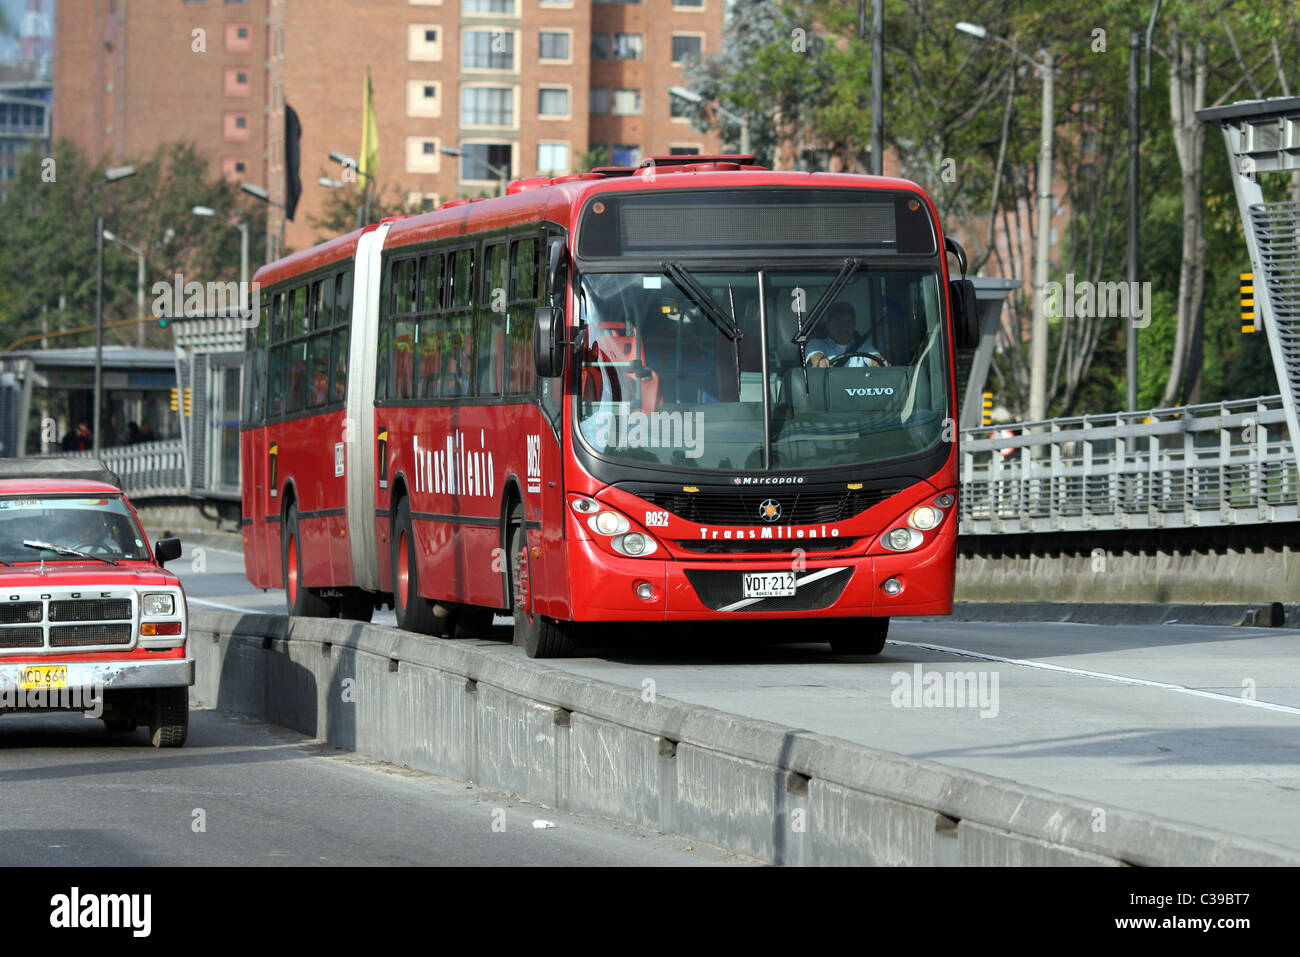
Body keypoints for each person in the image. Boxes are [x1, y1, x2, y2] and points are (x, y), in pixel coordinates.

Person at [805, 303, 888, 368]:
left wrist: (880, 363)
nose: (843, 327)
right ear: (828, 326)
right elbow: (817, 358)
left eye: (848, 322)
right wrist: (821, 362)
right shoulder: (816, 344)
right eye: (838, 322)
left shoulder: (863, 346)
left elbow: (876, 359)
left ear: (853, 326)